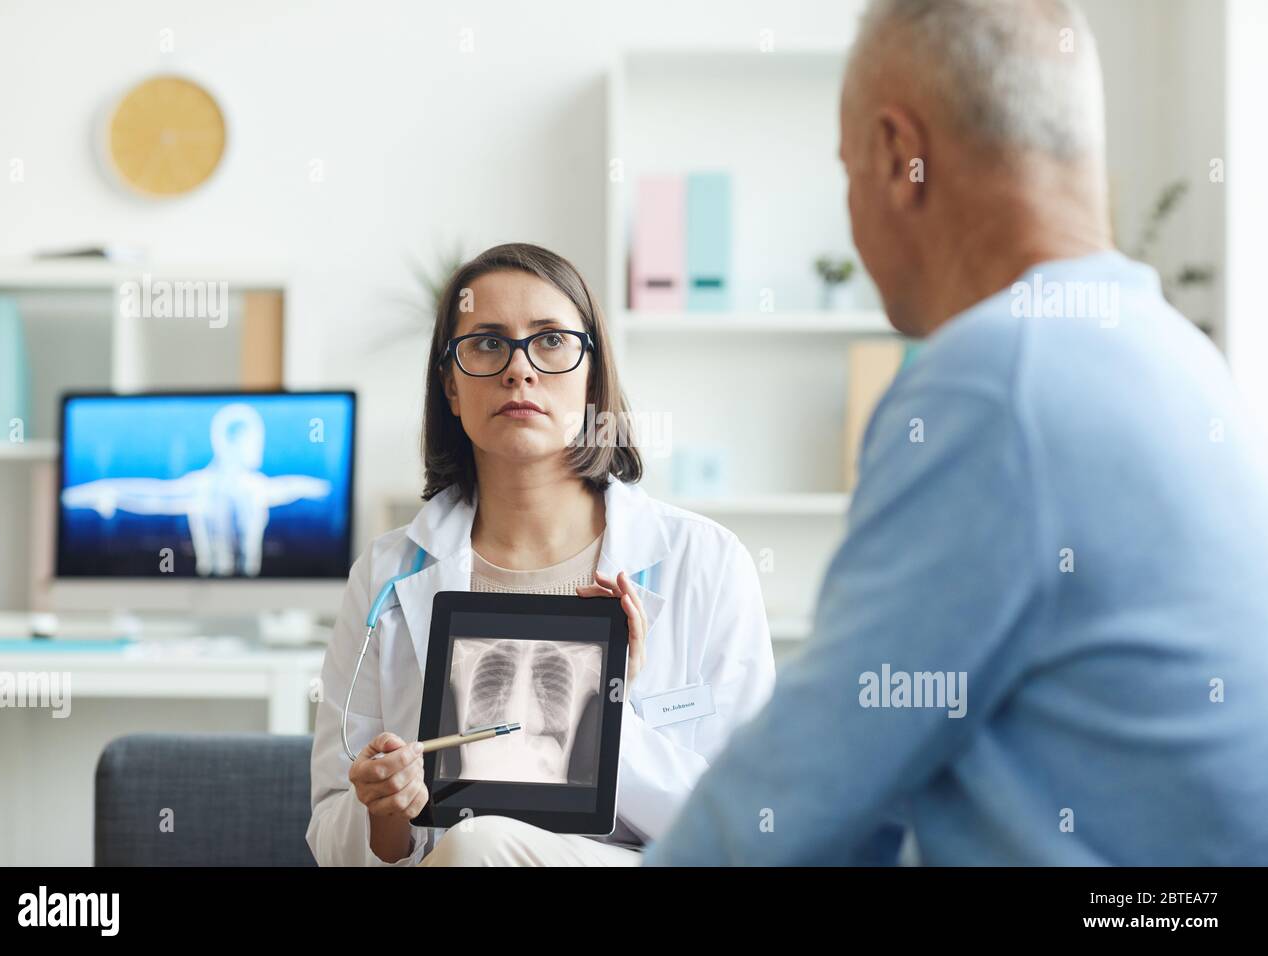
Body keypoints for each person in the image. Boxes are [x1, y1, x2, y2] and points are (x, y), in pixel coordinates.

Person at [645, 0, 1268, 865]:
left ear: (901, 158)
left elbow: (790, 805)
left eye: (845, 169)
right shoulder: (1176, 355)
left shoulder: (997, 382)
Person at [307, 242, 775, 866]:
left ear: (591, 374)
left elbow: (750, 828)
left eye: (551, 340)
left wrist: (609, 720)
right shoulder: (389, 574)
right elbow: (332, 831)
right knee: (471, 848)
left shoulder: (705, 562)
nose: (518, 370)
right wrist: (384, 810)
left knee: (480, 845)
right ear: (450, 382)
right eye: (487, 343)